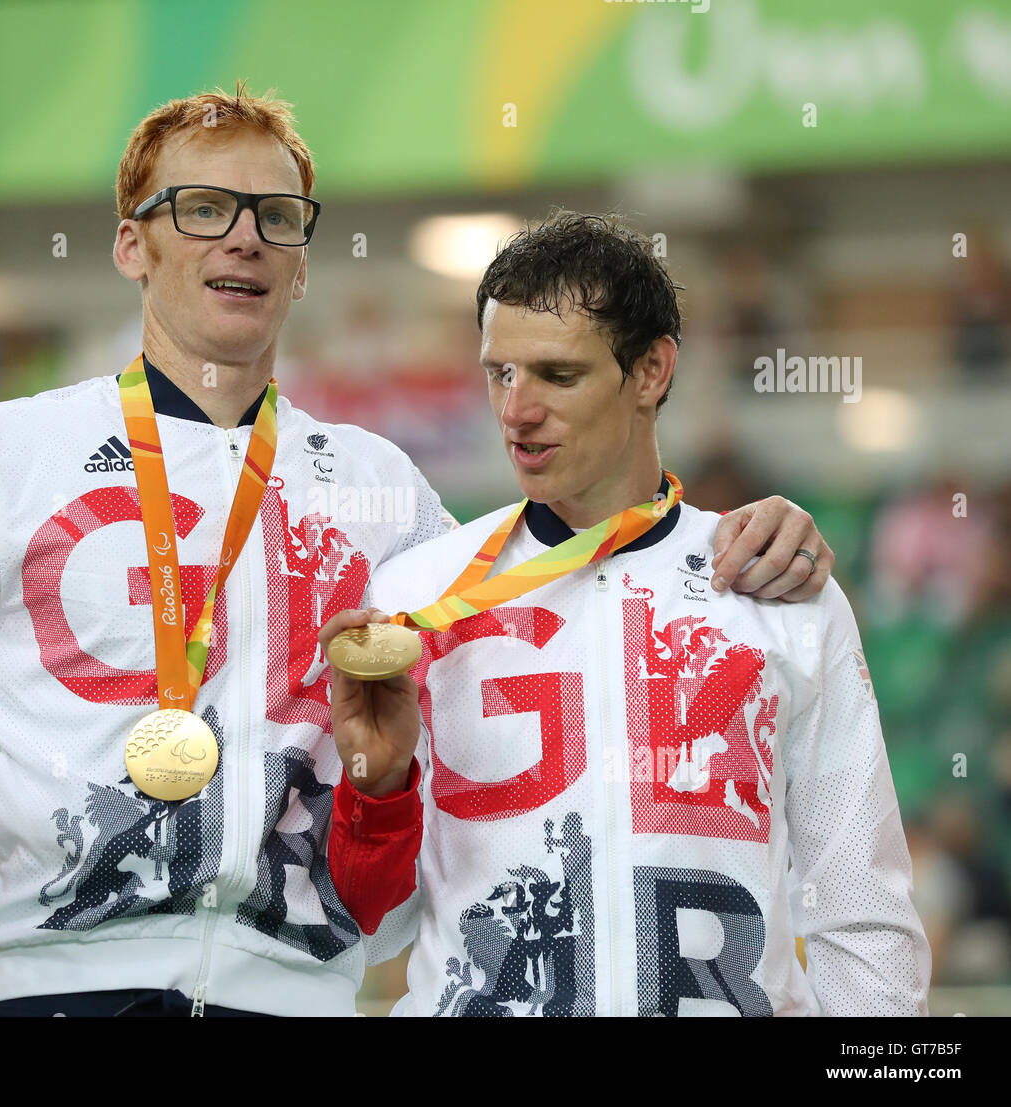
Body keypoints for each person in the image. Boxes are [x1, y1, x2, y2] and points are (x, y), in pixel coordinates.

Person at [0, 90, 830, 1018]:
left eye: (276, 216)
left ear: (303, 263)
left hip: (294, 1000)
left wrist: (735, 529)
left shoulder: (383, 491)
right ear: (132, 243)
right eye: (202, 208)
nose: (243, 238)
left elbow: (562, 588)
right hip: (45, 988)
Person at [321, 211, 930, 1016]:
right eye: (499, 373)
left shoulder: (774, 588)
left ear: (651, 370)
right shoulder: (414, 603)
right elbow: (373, 926)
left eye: (557, 374)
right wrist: (380, 784)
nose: (517, 410)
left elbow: (861, 910)